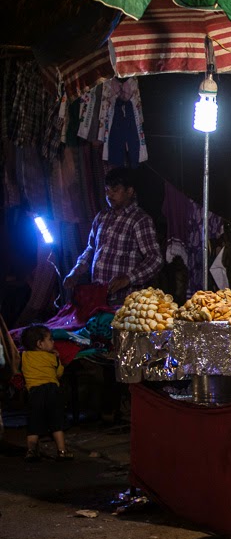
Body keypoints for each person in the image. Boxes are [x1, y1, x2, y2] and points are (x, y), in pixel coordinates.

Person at [63, 167, 162, 305]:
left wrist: (128, 278)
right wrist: (75, 272)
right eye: (107, 190)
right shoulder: (102, 216)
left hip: (126, 301)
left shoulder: (140, 220)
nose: (109, 195)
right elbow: (91, 249)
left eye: (115, 191)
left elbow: (155, 259)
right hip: (98, 296)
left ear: (130, 191)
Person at [18, 325, 73, 462]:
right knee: (56, 422)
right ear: (40, 344)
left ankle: (31, 451)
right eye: (50, 339)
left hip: (34, 393)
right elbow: (59, 374)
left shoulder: (24, 356)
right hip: (52, 391)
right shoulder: (52, 357)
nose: (53, 342)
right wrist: (59, 360)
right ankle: (62, 451)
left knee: (34, 423)